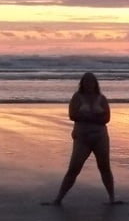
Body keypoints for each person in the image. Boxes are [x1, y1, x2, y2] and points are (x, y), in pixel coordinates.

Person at [47, 72, 120, 205]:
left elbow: (107, 118)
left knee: (104, 167)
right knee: (74, 168)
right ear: (82, 83)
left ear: (95, 83)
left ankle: (112, 198)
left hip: (100, 137)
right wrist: (94, 118)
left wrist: (87, 117)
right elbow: (72, 115)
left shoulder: (101, 98)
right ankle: (58, 198)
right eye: (86, 82)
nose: (89, 84)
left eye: (91, 82)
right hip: (82, 137)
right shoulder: (77, 97)